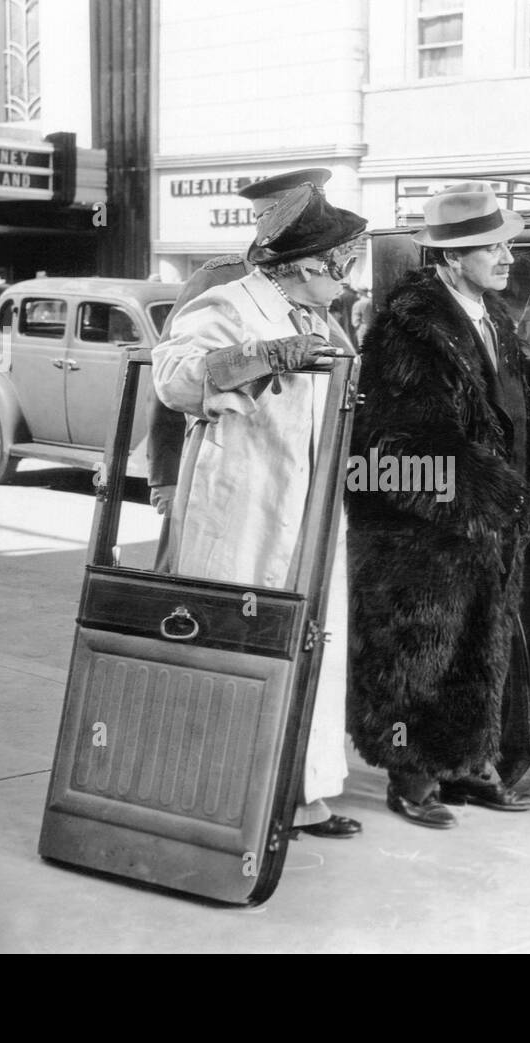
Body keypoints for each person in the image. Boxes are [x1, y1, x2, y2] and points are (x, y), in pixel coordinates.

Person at [346, 182, 530, 828]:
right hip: (424, 536)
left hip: (485, 528)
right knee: (425, 647)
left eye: (506, 242)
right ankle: (412, 776)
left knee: (481, 646)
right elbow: (398, 445)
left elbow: (517, 404)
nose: (507, 256)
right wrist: (493, 493)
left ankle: (470, 764)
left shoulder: (493, 318)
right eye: (491, 246)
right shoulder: (408, 330)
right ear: (452, 259)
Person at [151, 184, 366, 840]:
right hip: (242, 510)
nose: (347, 281)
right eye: (341, 267)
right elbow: (172, 375)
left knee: (310, 646)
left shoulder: (319, 319)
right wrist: (255, 357)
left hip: (309, 509)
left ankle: (299, 795)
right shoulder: (230, 302)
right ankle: (214, 801)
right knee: (230, 653)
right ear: (305, 267)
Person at [147, 168, 333, 536]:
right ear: (268, 221)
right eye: (302, 217)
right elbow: (168, 378)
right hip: (221, 458)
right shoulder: (219, 279)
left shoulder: (312, 279)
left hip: (287, 460)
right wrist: (164, 476)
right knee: (193, 566)